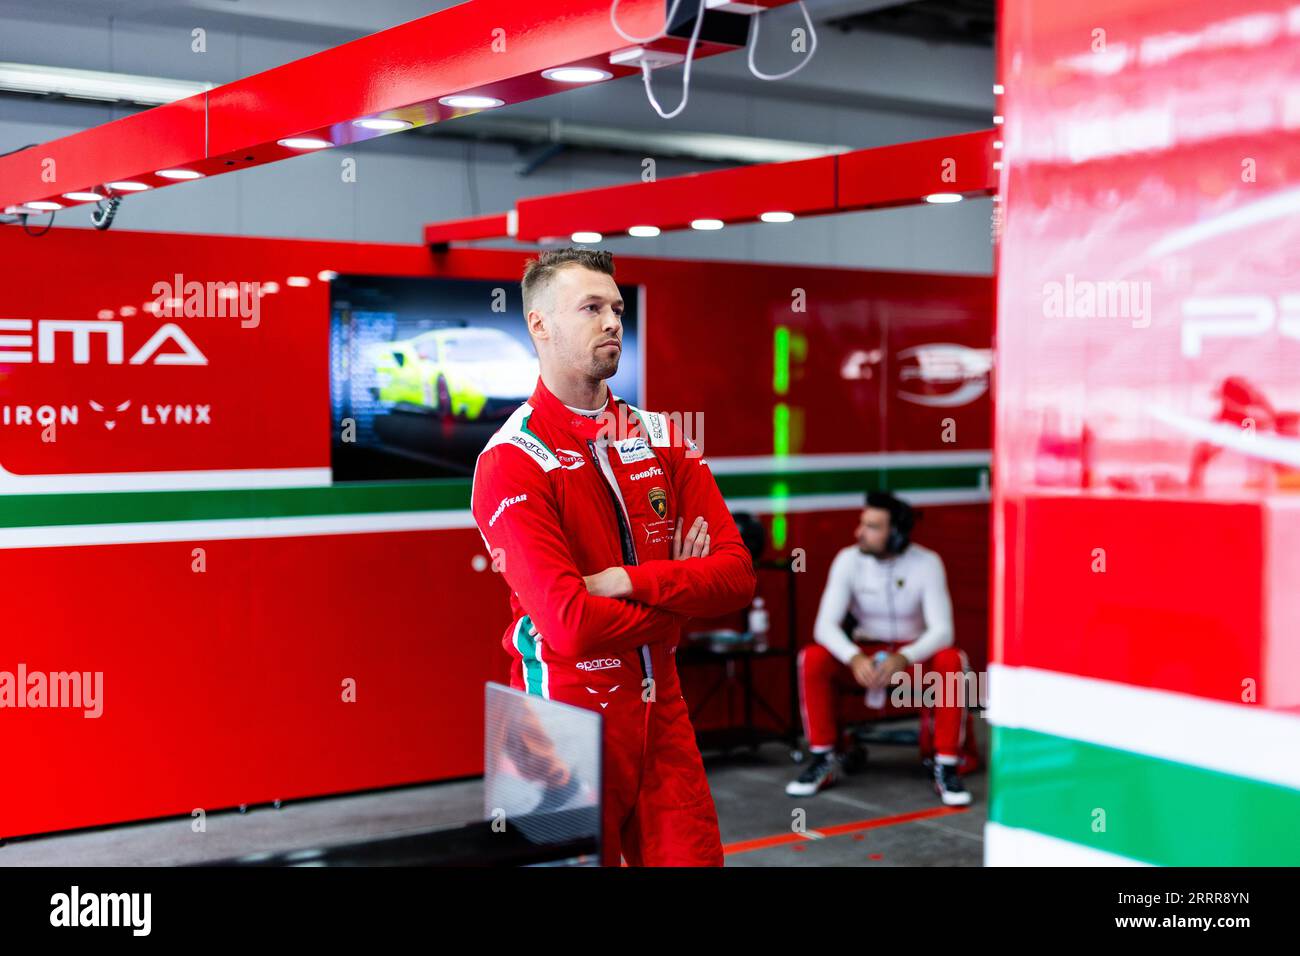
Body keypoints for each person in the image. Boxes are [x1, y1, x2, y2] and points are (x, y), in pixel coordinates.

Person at [472, 247, 757, 866]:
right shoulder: (510, 459)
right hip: (556, 724)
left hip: (665, 709)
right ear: (539, 324)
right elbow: (571, 626)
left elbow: (736, 577)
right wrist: (681, 599)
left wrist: (627, 580)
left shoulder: (660, 434)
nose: (612, 323)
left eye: (617, 309)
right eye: (591, 308)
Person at [786, 492, 974, 806]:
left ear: (897, 533)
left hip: (911, 658)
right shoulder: (848, 559)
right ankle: (823, 759)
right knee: (813, 657)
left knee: (952, 659)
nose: (859, 532)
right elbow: (824, 626)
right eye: (862, 524)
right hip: (864, 655)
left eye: (872, 526)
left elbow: (943, 630)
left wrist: (905, 657)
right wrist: (854, 656)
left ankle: (947, 764)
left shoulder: (927, 563)